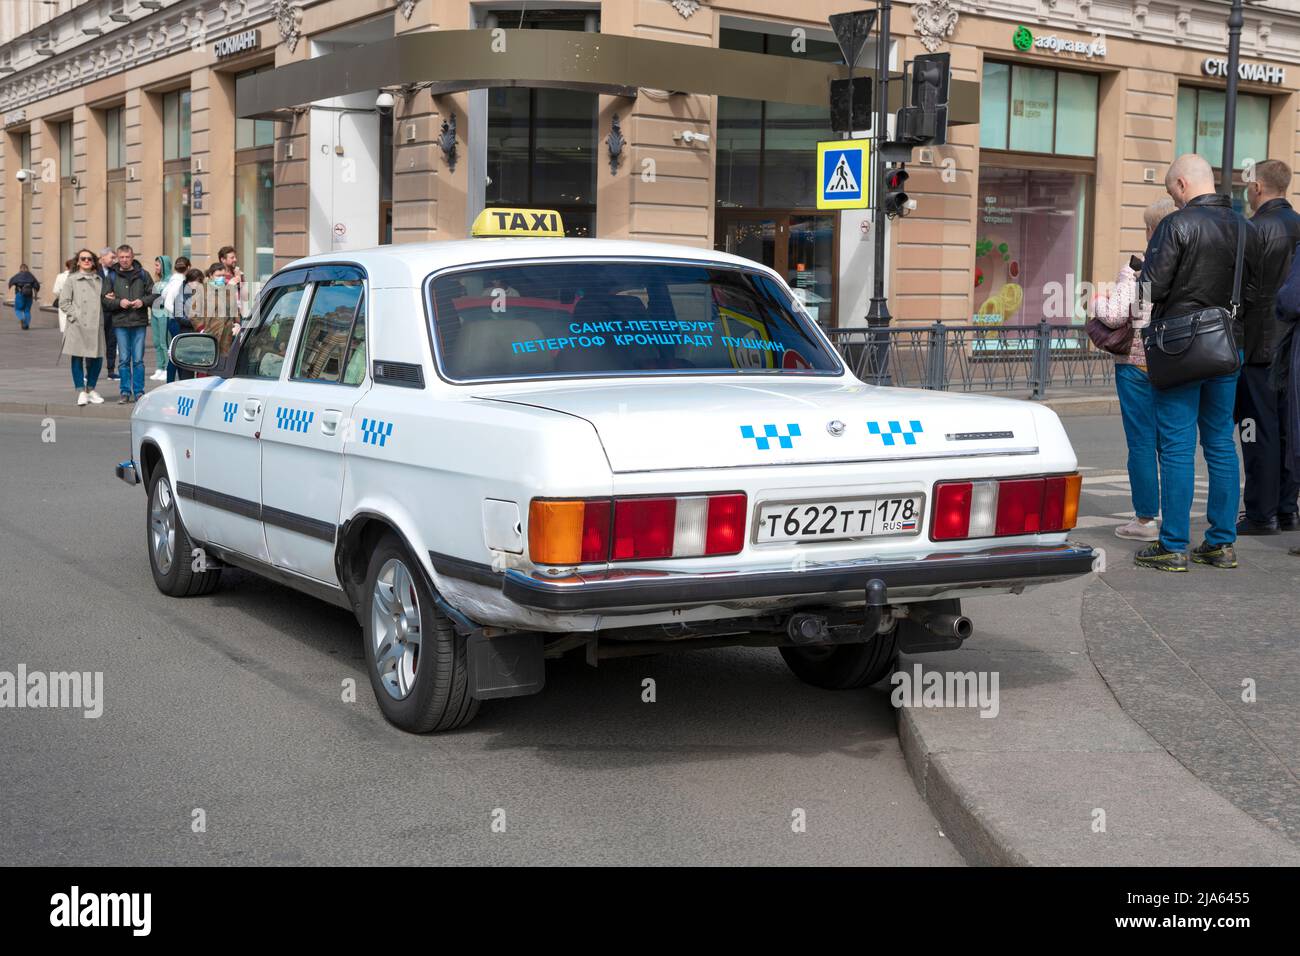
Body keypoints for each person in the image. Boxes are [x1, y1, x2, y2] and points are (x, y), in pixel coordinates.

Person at [1135, 154, 1261, 571]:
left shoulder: (1177, 224)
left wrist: (1142, 280)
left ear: (1183, 185)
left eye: (1173, 192)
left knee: (1176, 445)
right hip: (1228, 347)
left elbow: (1151, 289)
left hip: (1180, 349)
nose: (1174, 199)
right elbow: (1257, 293)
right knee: (1221, 443)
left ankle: (1173, 545)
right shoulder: (1246, 229)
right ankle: (1221, 543)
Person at [1092, 197, 1177, 542]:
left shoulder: (1136, 268)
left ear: (1152, 230)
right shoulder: (1181, 267)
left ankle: (1144, 520)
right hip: (1173, 359)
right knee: (1171, 443)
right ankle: (1174, 517)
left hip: (1135, 363)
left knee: (1141, 442)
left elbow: (1113, 316)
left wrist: (1096, 300)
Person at [1235, 159, 1300, 535]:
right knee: (1290, 430)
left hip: (1258, 348)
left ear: (1257, 187)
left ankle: (1261, 513)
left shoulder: (1254, 229)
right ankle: (1288, 509)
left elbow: (1240, 292)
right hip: (1292, 348)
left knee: (1254, 431)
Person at [101, 244, 157, 404]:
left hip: (138, 321)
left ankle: (139, 391)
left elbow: (154, 295)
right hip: (120, 322)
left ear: (132, 257)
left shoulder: (143, 275)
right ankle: (125, 391)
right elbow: (104, 300)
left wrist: (143, 301)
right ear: (118, 258)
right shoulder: (111, 276)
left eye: (127, 257)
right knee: (124, 359)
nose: (124, 260)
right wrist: (120, 302)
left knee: (138, 359)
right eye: (122, 257)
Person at [59, 249, 108, 406]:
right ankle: (80, 390)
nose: (86, 261)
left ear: (93, 262)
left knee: (98, 357)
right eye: (83, 258)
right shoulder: (71, 279)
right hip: (78, 325)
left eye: (89, 259)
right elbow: (63, 302)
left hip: (96, 325)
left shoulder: (99, 280)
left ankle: (91, 389)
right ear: (78, 261)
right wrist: (76, 316)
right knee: (77, 357)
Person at [160, 257, 191, 382]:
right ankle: (171, 381)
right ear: (188, 267)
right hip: (176, 322)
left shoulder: (173, 280)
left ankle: (172, 380)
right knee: (176, 354)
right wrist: (180, 314)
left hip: (173, 320)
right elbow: (168, 303)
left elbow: (163, 294)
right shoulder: (178, 282)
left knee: (175, 353)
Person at [149, 255, 175, 382]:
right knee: (157, 341)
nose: (156, 268)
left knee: (165, 342)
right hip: (155, 314)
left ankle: (166, 368)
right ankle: (159, 367)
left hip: (165, 314)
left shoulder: (171, 280)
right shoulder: (158, 280)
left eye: (158, 265)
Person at [98, 247, 119, 378]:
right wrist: (103, 296)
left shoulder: (115, 272)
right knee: (95, 343)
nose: (114, 260)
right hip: (98, 312)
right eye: (112, 257)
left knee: (112, 342)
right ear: (103, 257)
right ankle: (89, 372)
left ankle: (111, 370)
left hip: (112, 312)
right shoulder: (94, 272)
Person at [7, 263, 40, 330]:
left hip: (20, 295)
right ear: (27, 269)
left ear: (20, 269)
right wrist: (36, 296)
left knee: (18, 309)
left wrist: (10, 287)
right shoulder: (31, 276)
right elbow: (36, 286)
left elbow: (11, 281)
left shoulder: (18, 275)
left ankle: (22, 318)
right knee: (27, 310)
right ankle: (26, 324)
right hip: (29, 296)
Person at [51, 257, 75, 334]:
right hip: (76, 303)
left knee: (65, 325)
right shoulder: (77, 276)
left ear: (66, 266)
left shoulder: (60, 276)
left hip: (64, 302)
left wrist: (61, 296)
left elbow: (55, 290)